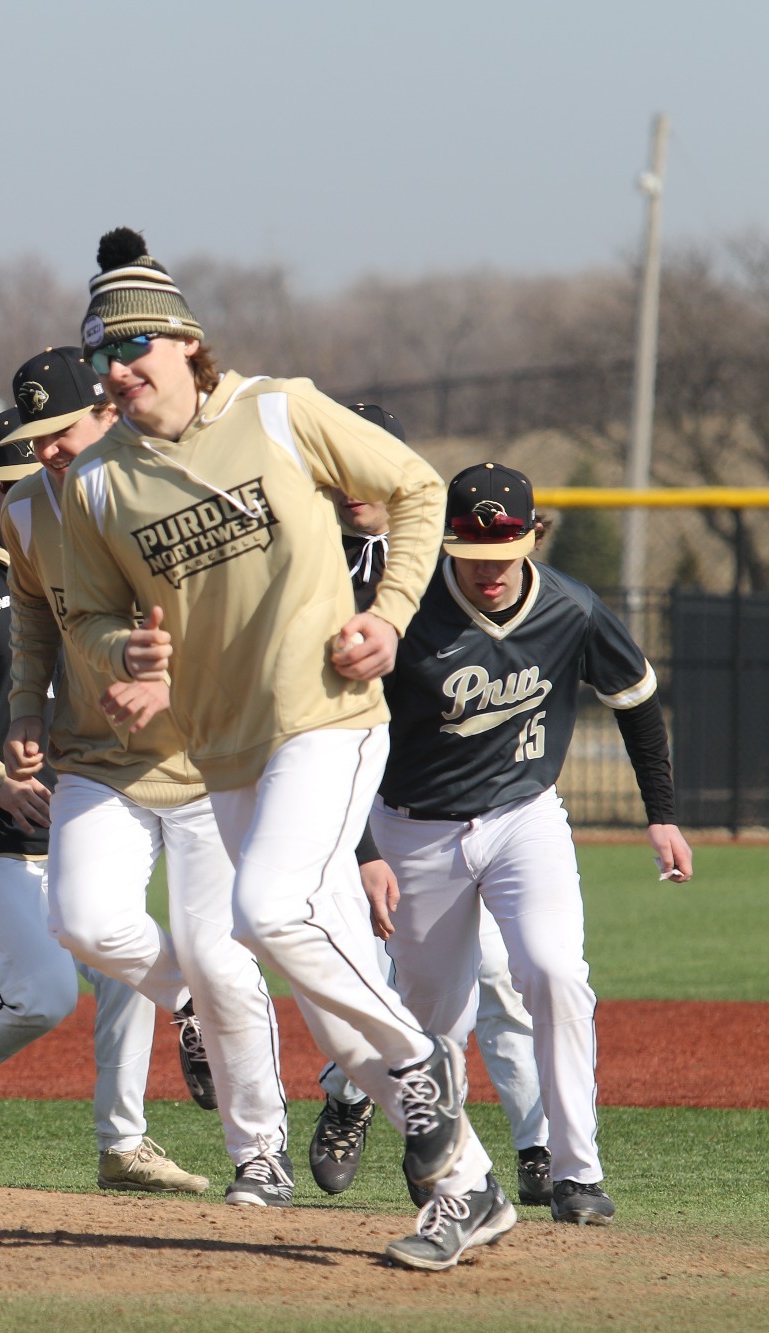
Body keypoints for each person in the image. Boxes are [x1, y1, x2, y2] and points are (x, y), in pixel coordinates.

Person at [59, 227, 507, 1271]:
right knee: (324, 995)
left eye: (133, 350)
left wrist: (390, 614)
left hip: (326, 717)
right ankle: (468, 1189)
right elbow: (79, 615)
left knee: (269, 911)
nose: (117, 373)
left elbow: (416, 491)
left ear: (183, 341)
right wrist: (115, 651)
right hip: (219, 746)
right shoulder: (96, 485)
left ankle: (419, 1059)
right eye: (100, 360)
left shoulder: (276, 409)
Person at [0, 348, 290, 1201]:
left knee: (220, 955)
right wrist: (23, 709)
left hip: (205, 756)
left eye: (63, 428)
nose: (49, 448)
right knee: (80, 920)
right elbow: (34, 623)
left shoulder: (171, 481)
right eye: (35, 435)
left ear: (107, 409)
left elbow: (239, 610)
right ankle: (185, 1002)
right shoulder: (25, 508)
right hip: (97, 757)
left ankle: (261, 1155)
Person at [0, 402, 208, 1192]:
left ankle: (124, 1144)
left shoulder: (97, 560)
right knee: (42, 991)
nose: (23, 494)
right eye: (8, 481)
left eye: (33, 474)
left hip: (79, 811)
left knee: (128, 960)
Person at [369, 461, 691, 1227]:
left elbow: (637, 701)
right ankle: (451, 1162)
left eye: (505, 548)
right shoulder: (405, 613)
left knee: (553, 973)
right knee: (431, 1014)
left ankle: (578, 1171)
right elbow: (342, 732)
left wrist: (663, 812)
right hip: (413, 827)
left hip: (524, 816)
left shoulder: (569, 607)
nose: (489, 566)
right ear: (446, 544)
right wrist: (360, 849)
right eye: (472, 549)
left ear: (532, 536)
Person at [307, 409, 553, 1210]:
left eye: (367, 471)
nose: (353, 490)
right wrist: (361, 845)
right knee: (380, 981)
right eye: (337, 473)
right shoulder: (309, 566)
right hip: (361, 803)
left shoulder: (429, 561)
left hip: (459, 802)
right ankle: (352, 1093)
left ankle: (537, 1151)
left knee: (502, 977)